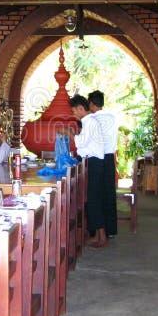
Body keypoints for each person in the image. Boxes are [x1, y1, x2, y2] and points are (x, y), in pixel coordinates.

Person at [66, 94, 108, 248]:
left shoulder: (89, 122)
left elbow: (81, 144)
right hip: (94, 162)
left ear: (81, 108)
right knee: (94, 199)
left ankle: (101, 238)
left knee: (94, 200)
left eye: (74, 111)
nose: (73, 114)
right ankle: (98, 235)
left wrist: (70, 134)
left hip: (95, 163)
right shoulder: (89, 122)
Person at [88, 90, 119, 241]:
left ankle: (97, 230)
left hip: (98, 158)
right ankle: (111, 229)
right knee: (109, 193)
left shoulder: (92, 119)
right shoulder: (112, 117)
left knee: (97, 194)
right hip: (109, 158)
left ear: (91, 104)